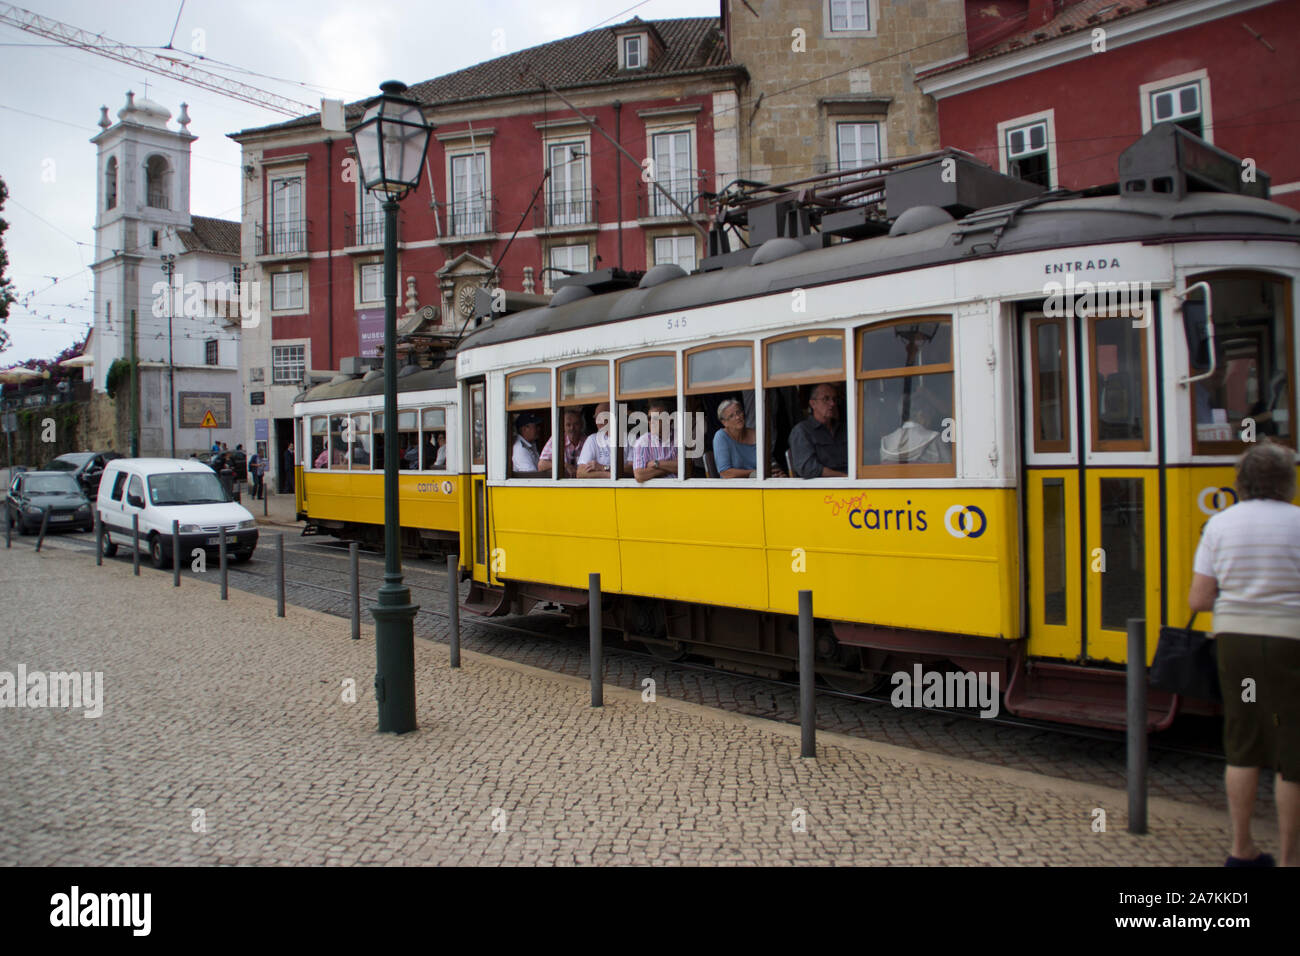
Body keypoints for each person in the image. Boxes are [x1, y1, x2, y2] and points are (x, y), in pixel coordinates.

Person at [1189, 440, 1300, 867]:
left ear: (1242, 481)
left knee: (1243, 742)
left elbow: (1199, 599)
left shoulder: (1220, 525)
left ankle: (1241, 850)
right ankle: (1290, 858)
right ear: (1288, 481)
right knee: (1291, 754)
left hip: (1236, 645)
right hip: (1291, 645)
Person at [788, 383, 847, 478]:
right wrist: (843, 476)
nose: (832, 404)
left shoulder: (845, 429)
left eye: (834, 399)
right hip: (820, 489)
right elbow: (808, 468)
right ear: (813, 404)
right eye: (826, 399)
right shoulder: (802, 431)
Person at [880, 389, 952, 464]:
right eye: (930, 413)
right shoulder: (934, 439)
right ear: (920, 414)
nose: (930, 421)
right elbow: (950, 468)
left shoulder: (886, 442)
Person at [632, 398, 678, 482]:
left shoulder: (679, 437)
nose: (651, 422)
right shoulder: (642, 442)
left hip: (681, 491)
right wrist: (670, 467)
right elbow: (639, 475)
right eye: (649, 418)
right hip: (654, 493)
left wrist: (655, 463)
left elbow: (685, 467)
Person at [713, 397, 757, 478]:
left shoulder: (755, 434)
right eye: (731, 416)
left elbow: (769, 461)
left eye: (739, 412)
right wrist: (754, 473)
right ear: (724, 422)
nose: (738, 417)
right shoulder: (721, 437)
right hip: (734, 488)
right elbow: (725, 473)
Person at [540, 408, 587, 478]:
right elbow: (541, 465)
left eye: (576, 424)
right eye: (568, 425)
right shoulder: (556, 439)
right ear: (563, 426)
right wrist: (565, 465)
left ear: (581, 425)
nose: (572, 428)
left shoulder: (587, 441)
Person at [577, 403, 613, 478]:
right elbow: (580, 473)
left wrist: (603, 467)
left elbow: (632, 469)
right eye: (596, 417)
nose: (598, 421)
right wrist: (609, 475)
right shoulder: (593, 439)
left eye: (602, 417)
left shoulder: (630, 438)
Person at [511, 411, 547, 476]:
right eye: (535, 426)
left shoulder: (531, 443)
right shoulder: (520, 449)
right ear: (524, 429)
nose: (539, 429)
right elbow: (532, 476)